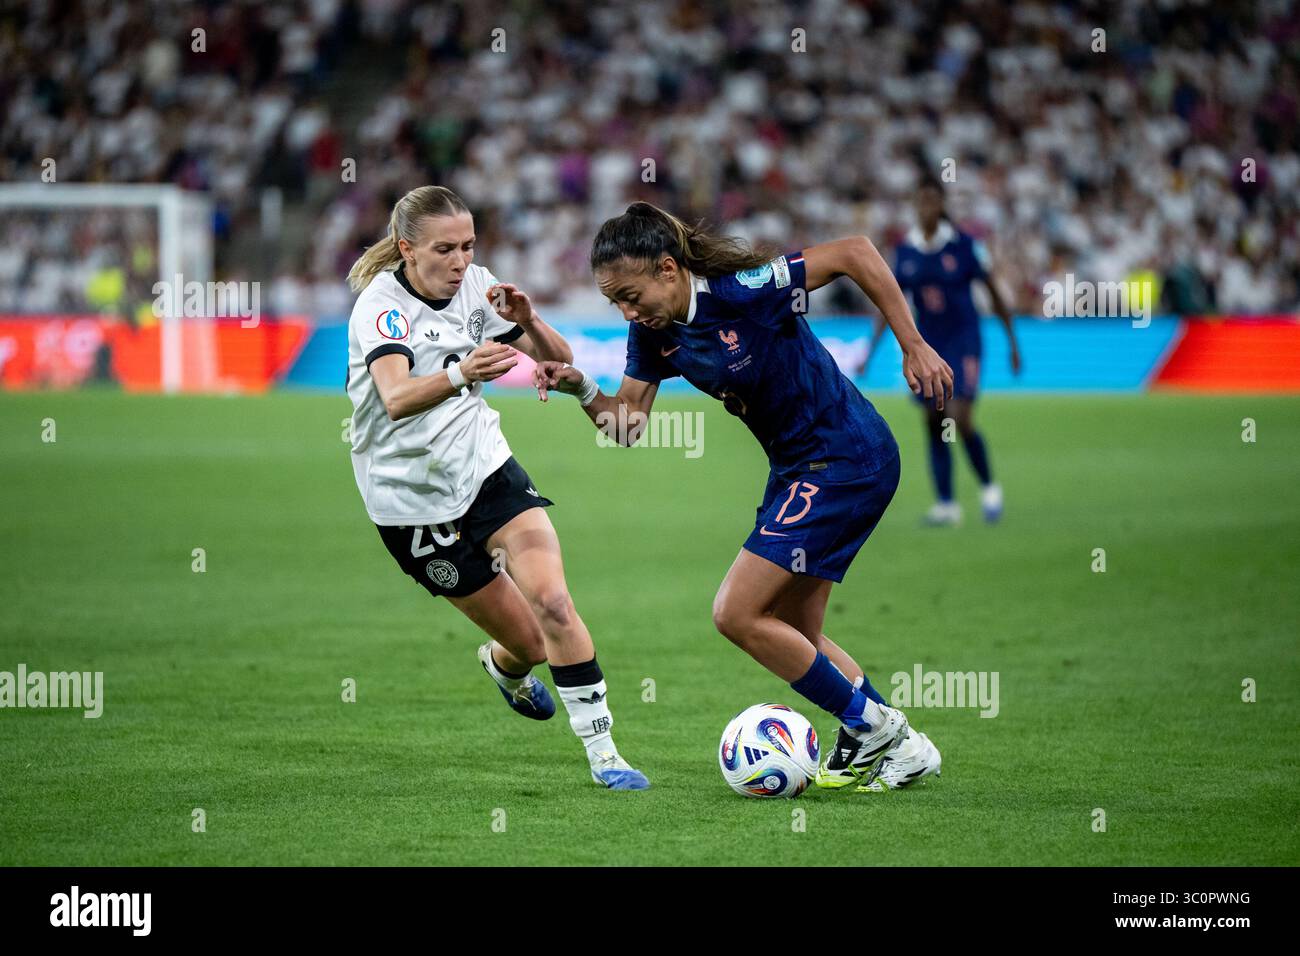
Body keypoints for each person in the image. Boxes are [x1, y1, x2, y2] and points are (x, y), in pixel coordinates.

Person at [531, 201, 949, 791]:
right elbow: (626, 425)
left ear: (669, 271)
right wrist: (580, 385)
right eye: (614, 302)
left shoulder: (743, 291)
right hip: (800, 469)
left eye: (631, 294)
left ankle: (871, 724)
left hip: (845, 457)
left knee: (736, 613)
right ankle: (899, 745)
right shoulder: (653, 333)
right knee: (797, 633)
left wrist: (913, 344)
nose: (627, 311)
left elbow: (855, 251)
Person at [344, 185, 648, 790]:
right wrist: (462, 372)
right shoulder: (381, 308)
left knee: (556, 603)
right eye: (444, 250)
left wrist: (529, 321)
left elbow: (561, 360)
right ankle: (505, 669)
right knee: (528, 643)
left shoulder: (479, 287)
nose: (461, 262)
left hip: (485, 468)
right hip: (410, 502)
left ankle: (605, 753)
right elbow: (397, 397)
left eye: (469, 246)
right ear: (406, 249)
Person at [874, 179, 1020, 525]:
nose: (926, 208)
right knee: (934, 420)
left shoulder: (963, 246)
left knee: (960, 418)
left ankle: (988, 487)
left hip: (965, 341)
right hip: (929, 344)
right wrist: (870, 349)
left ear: (940, 205)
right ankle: (946, 504)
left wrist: (1013, 341)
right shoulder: (906, 251)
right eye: (921, 201)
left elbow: (993, 292)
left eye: (932, 201)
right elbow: (890, 303)